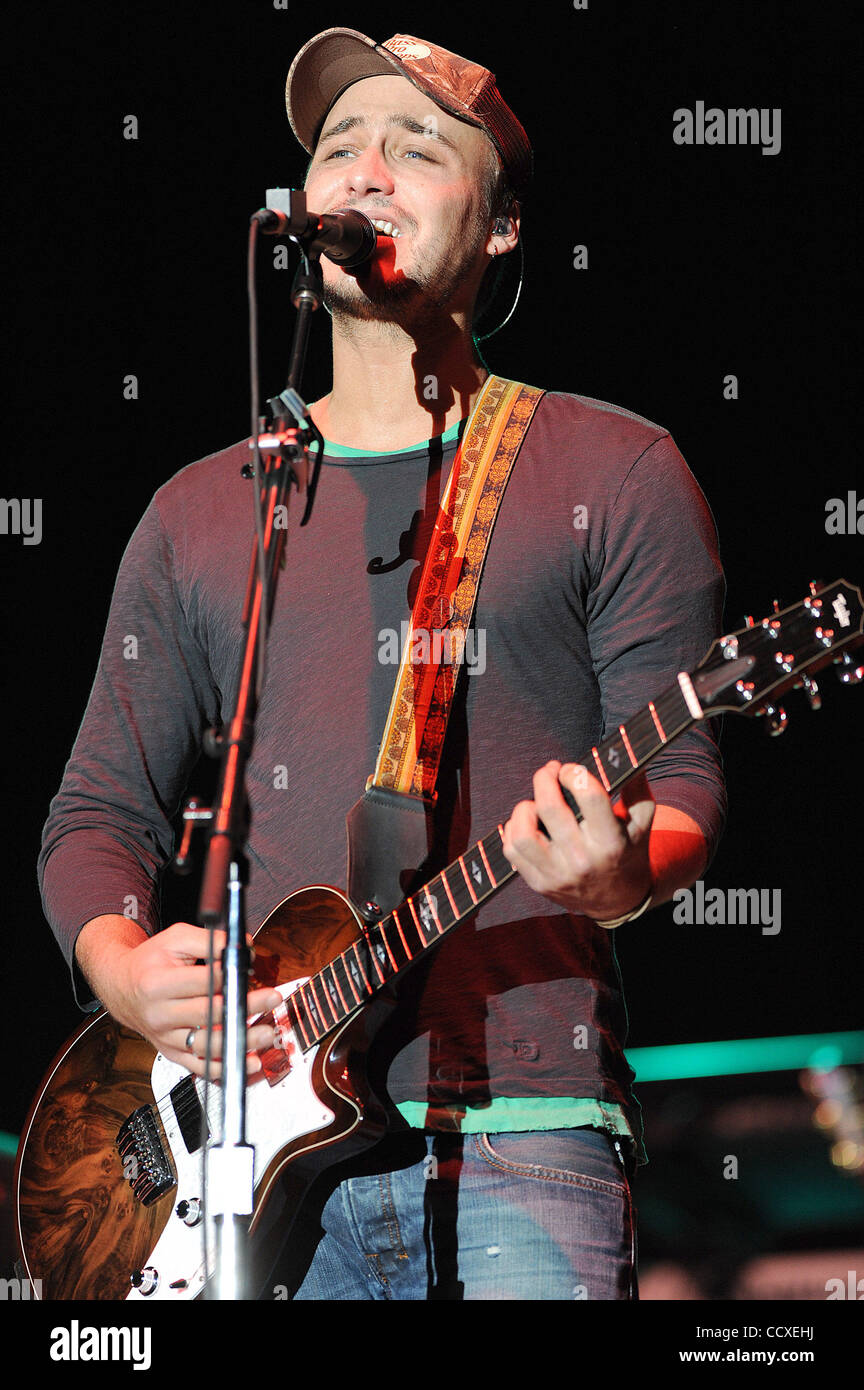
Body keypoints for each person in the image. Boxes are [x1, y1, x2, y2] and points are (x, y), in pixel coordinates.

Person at [38, 28, 726, 1301]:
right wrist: (125, 972)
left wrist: (623, 870)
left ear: (506, 223)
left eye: (418, 147)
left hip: (521, 1129)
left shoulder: (611, 467)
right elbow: (95, 812)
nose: (365, 169)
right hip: (240, 1154)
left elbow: (680, 774)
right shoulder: (203, 508)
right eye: (337, 145)